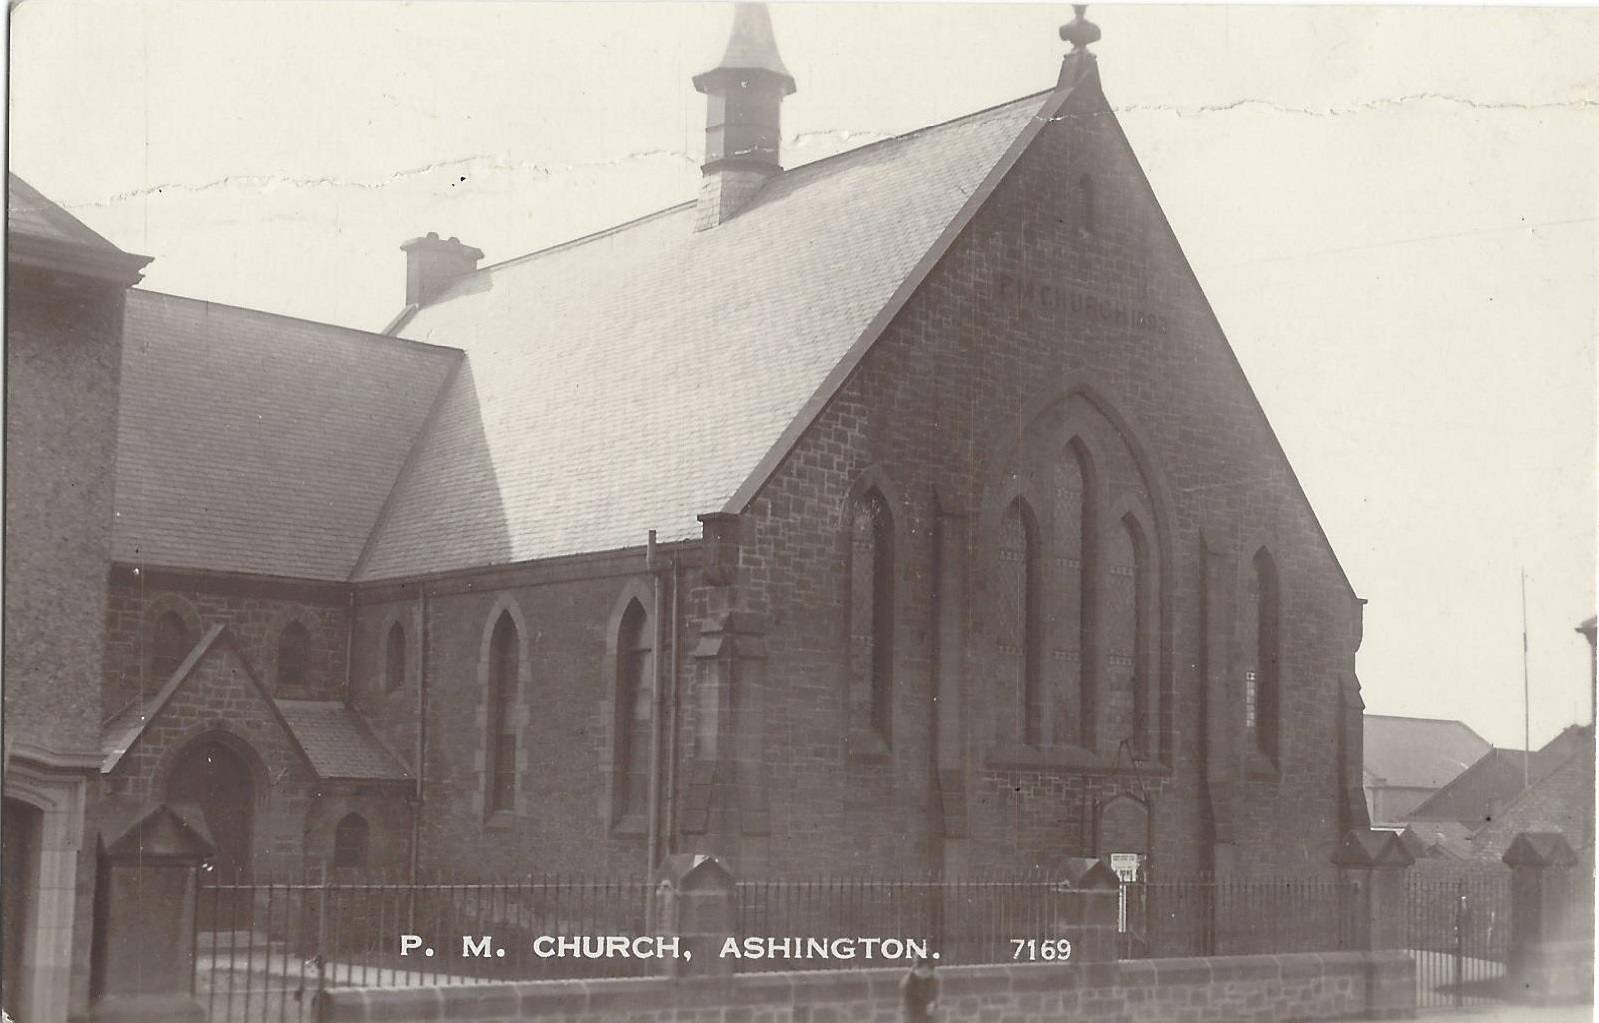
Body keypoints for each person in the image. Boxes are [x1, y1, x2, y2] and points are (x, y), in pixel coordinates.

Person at [900, 955, 938, 1023]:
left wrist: (933, 1004)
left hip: (929, 1018)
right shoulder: (908, 983)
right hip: (912, 1018)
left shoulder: (932, 979)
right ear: (916, 969)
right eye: (924, 972)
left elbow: (935, 996)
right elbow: (909, 1009)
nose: (926, 975)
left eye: (929, 972)